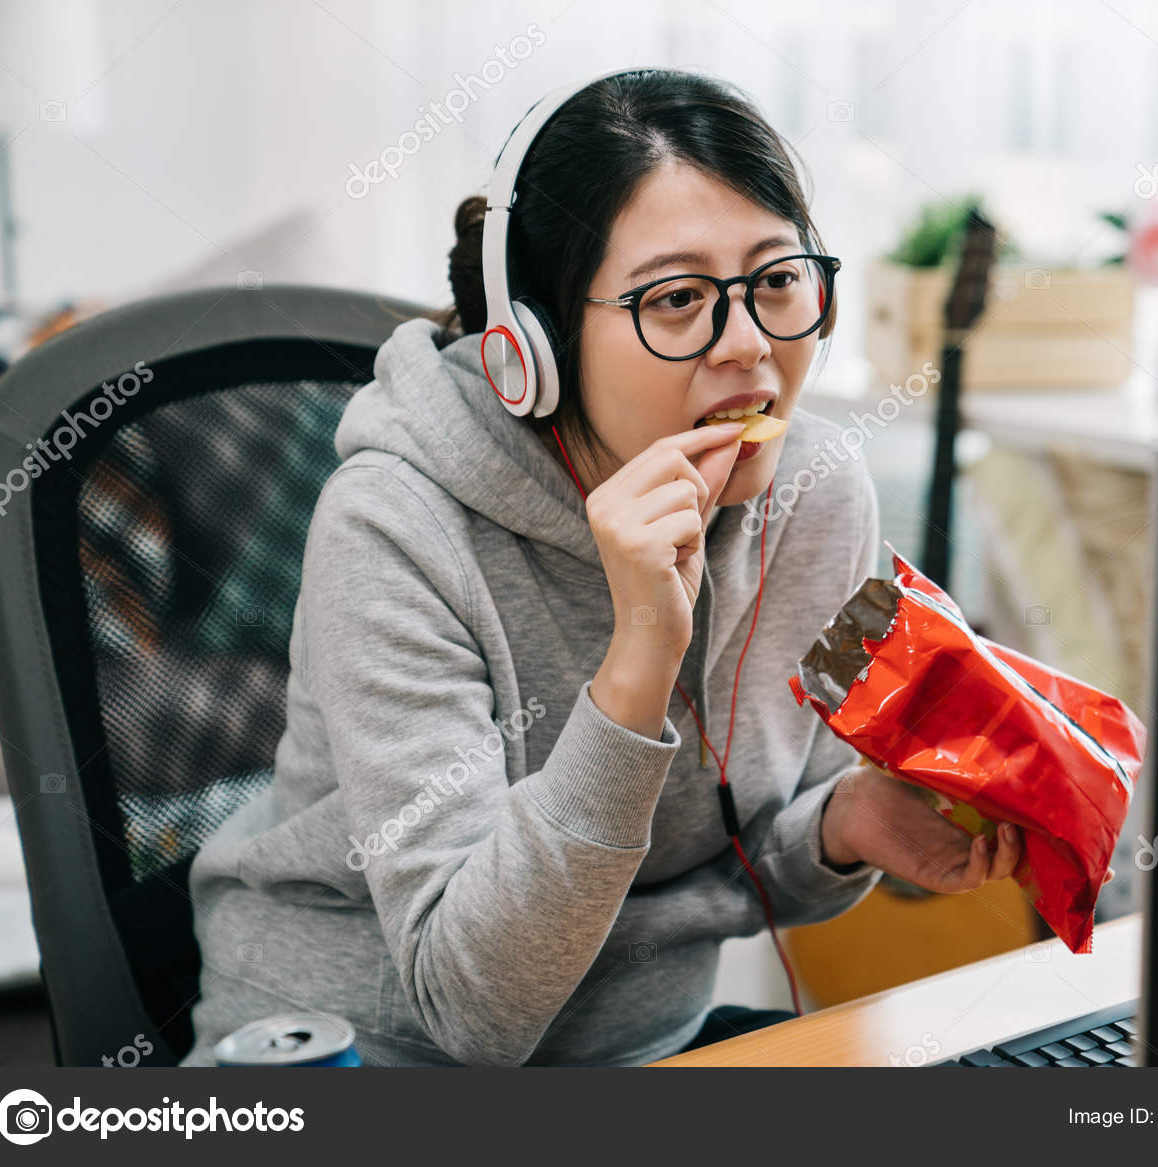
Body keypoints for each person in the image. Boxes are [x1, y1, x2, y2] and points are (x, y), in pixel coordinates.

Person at [181, 68, 1022, 1068]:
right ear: (531, 349)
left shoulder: (811, 489)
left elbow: (723, 859)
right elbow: (473, 1009)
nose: (749, 344)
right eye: (677, 300)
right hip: (357, 1056)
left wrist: (840, 827)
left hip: (647, 1053)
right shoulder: (393, 525)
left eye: (778, 280)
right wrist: (638, 663)